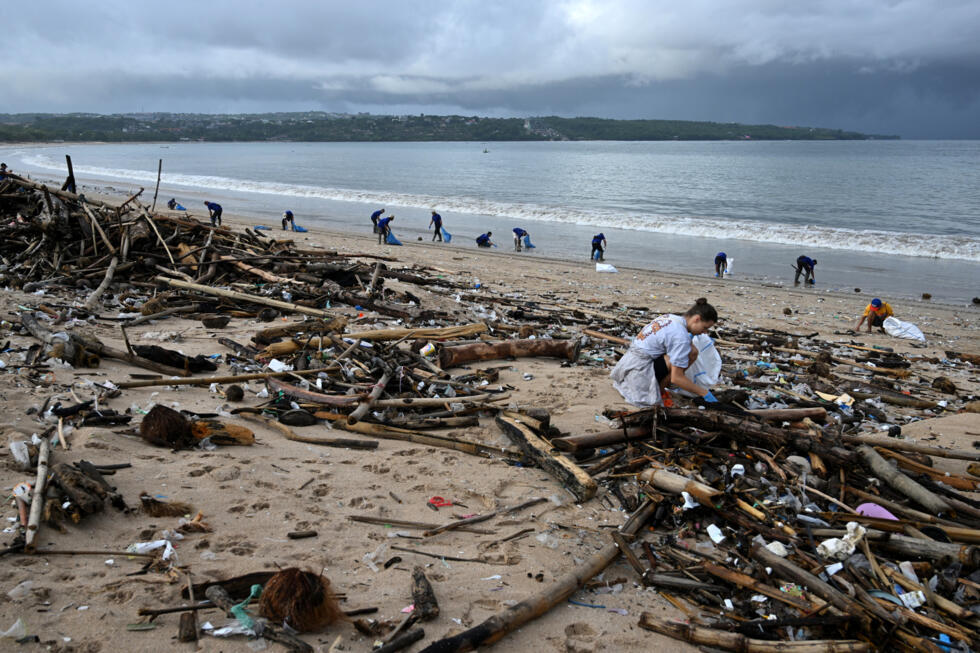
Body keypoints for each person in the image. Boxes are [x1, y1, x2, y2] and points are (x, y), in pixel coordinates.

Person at [610, 298, 719, 407]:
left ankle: (660, 387)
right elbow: (677, 378)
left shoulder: (670, 318)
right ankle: (660, 390)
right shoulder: (681, 336)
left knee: (692, 351)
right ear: (697, 319)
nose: (705, 332)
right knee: (685, 356)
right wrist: (704, 393)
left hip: (627, 362)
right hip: (639, 370)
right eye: (705, 328)